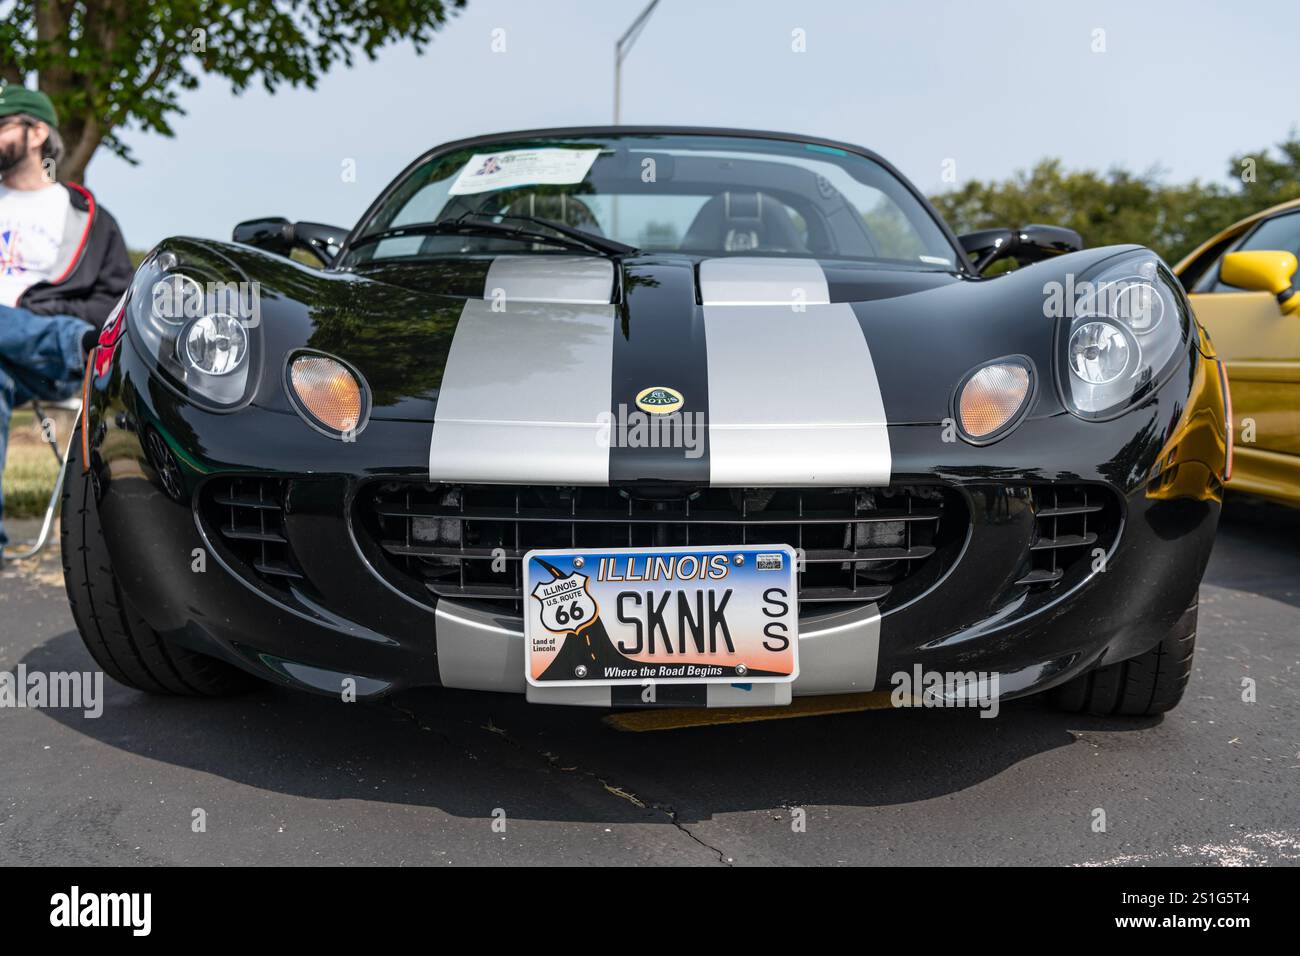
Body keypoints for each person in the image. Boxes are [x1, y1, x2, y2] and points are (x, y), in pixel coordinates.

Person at [0, 86, 133, 567]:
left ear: (37, 132)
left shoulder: (85, 218)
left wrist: (35, 321)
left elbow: (114, 306)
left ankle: (62, 339)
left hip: (52, 365)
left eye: (2, 125)